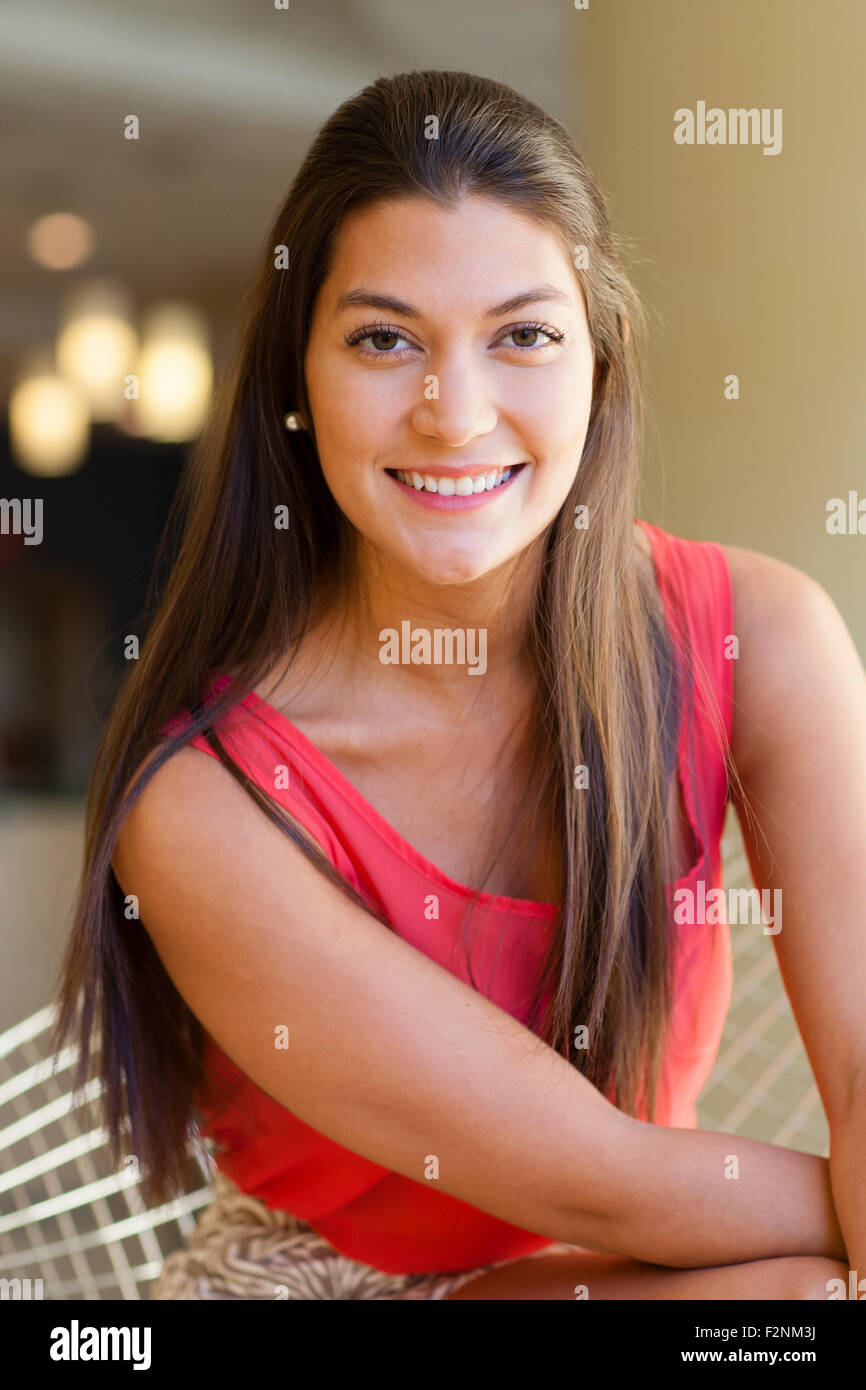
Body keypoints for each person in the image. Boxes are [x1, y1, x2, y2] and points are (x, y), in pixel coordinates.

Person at [53, 70, 865, 1300]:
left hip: (645, 1264)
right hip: (336, 1284)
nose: (454, 412)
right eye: (384, 338)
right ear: (295, 381)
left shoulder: (759, 638)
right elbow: (596, 1177)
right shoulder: (204, 800)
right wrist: (831, 1228)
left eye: (522, 335)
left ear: (599, 362)